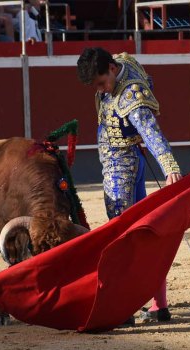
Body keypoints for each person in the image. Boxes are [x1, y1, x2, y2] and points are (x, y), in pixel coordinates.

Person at [76, 47, 183, 324]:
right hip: (132, 158)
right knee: (144, 235)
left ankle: (125, 308)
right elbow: (151, 82)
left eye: (101, 83)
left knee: (121, 239)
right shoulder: (125, 61)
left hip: (120, 168)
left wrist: (169, 167)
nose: (100, 90)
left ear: (112, 69)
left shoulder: (130, 94)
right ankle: (159, 305)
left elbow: (151, 131)